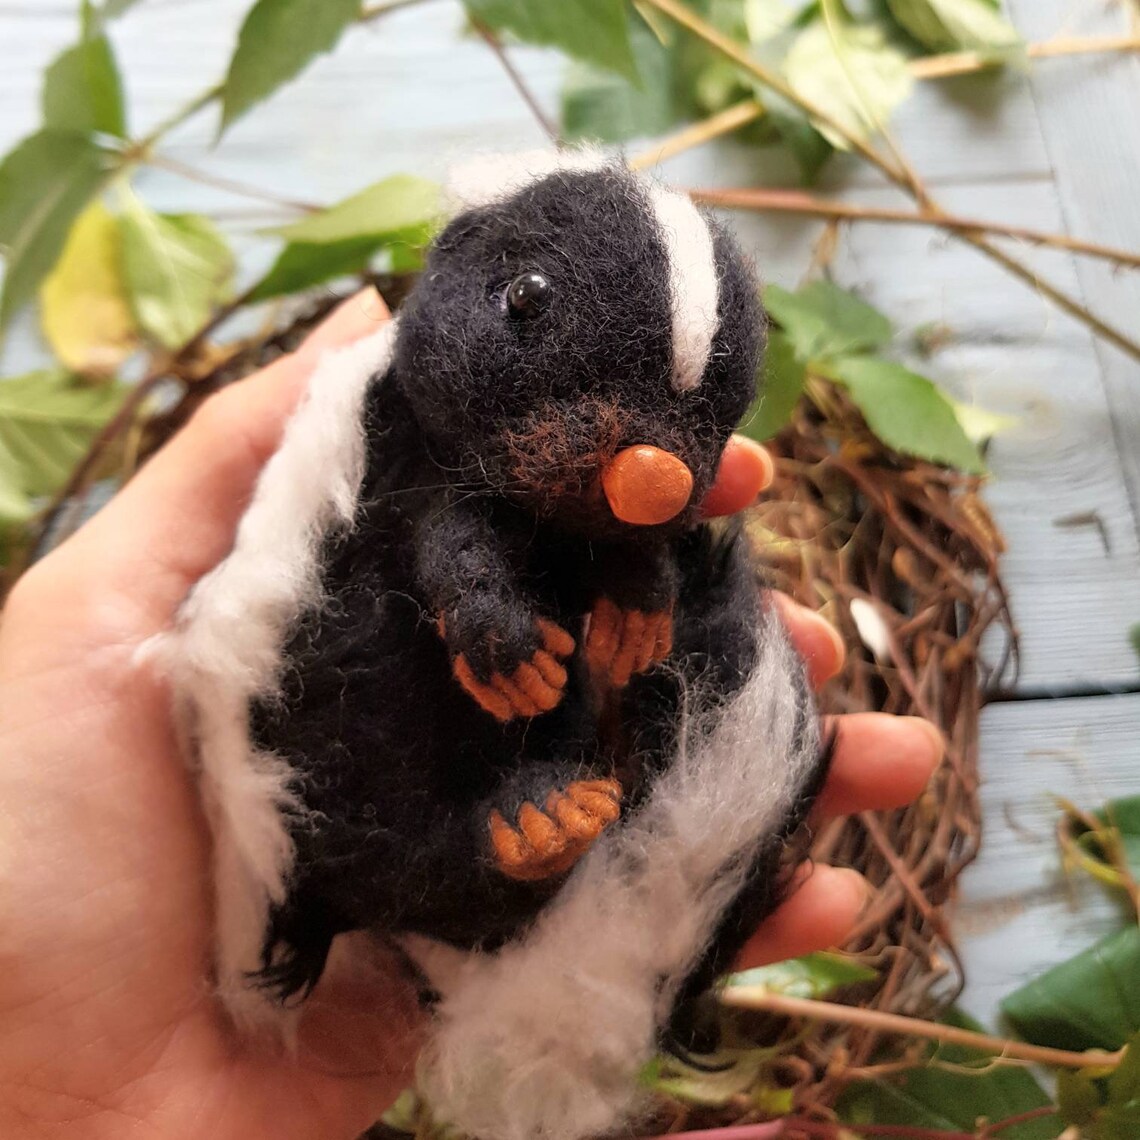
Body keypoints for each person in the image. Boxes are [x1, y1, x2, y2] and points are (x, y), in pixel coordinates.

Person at [0, 289, 942, 1139]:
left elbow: (632, 540)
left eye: (692, 422)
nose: (654, 469)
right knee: (408, 801)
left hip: (524, 769)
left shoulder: (598, 490)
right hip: (376, 770)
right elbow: (447, 537)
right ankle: (489, 845)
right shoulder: (416, 460)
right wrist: (480, 618)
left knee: (582, 763)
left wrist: (640, 584)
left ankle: (510, 852)